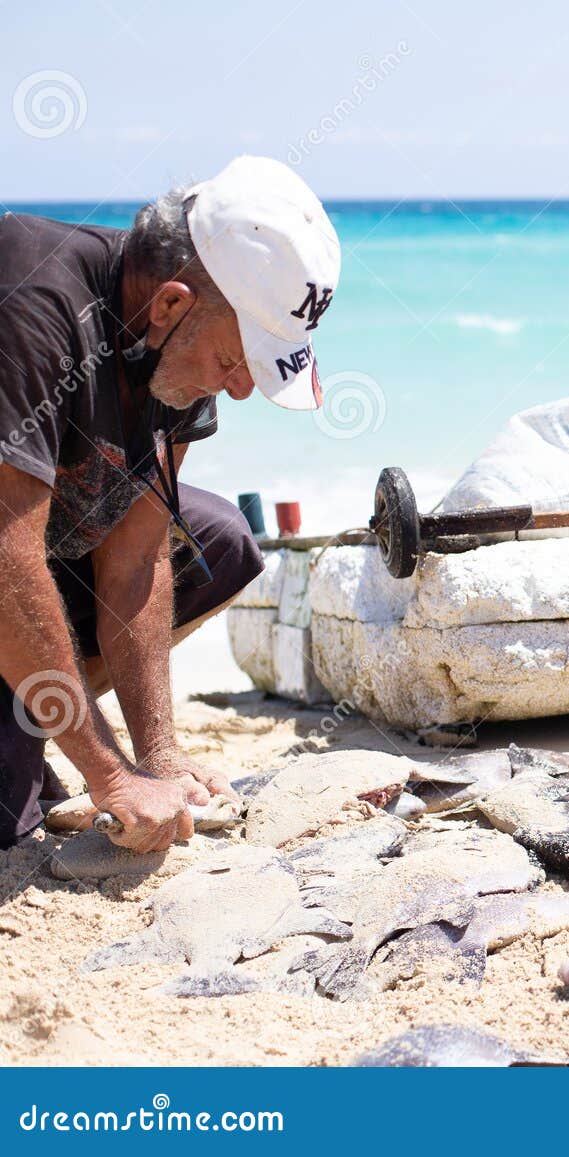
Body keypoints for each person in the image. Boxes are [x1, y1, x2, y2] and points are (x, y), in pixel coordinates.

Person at [0, 156, 340, 854]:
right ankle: (31, 718)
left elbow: (137, 559)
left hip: (31, 563)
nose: (240, 389)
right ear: (172, 303)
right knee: (9, 825)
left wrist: (156, 757)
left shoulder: (173, 348)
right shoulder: (36, 297)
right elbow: (5, 558)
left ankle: (28, 710)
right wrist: (107, 771)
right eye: (232, 359)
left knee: (217, 537)